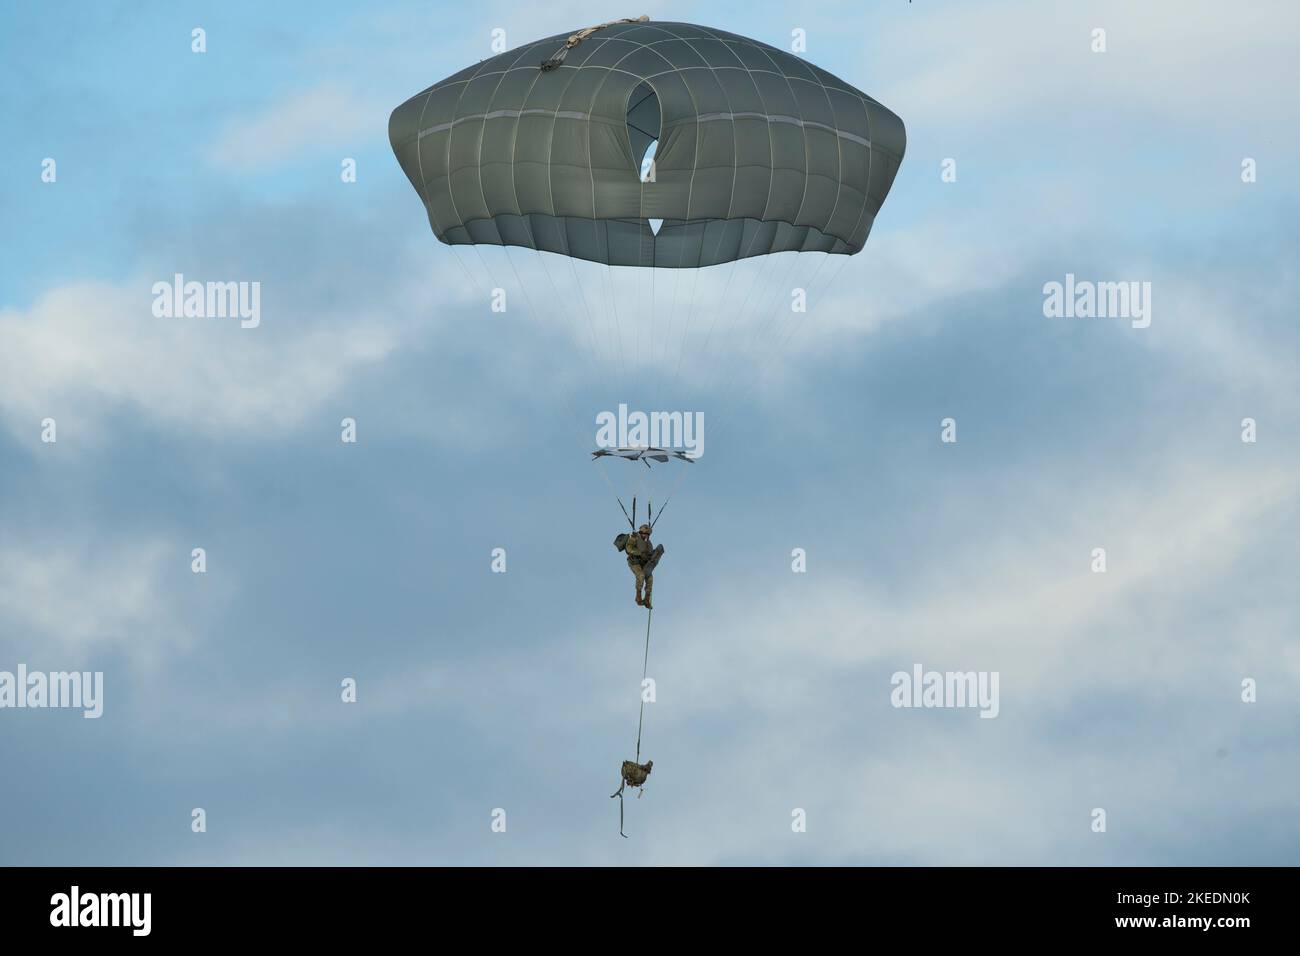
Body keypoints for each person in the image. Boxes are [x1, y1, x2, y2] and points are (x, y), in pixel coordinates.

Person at [622, 523, 661, 609]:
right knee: (641, 575)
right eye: (644, 534)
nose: (645, 536)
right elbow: (629, 548)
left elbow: (650, 554)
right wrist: (639, 553)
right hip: (634, 562)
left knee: (650, 578)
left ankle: (647, 599)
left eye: (647, 534)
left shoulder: (649, 544)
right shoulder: (634, 538)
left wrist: (654, 555)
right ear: (641, 532)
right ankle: (638, 597)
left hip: (644, 563)